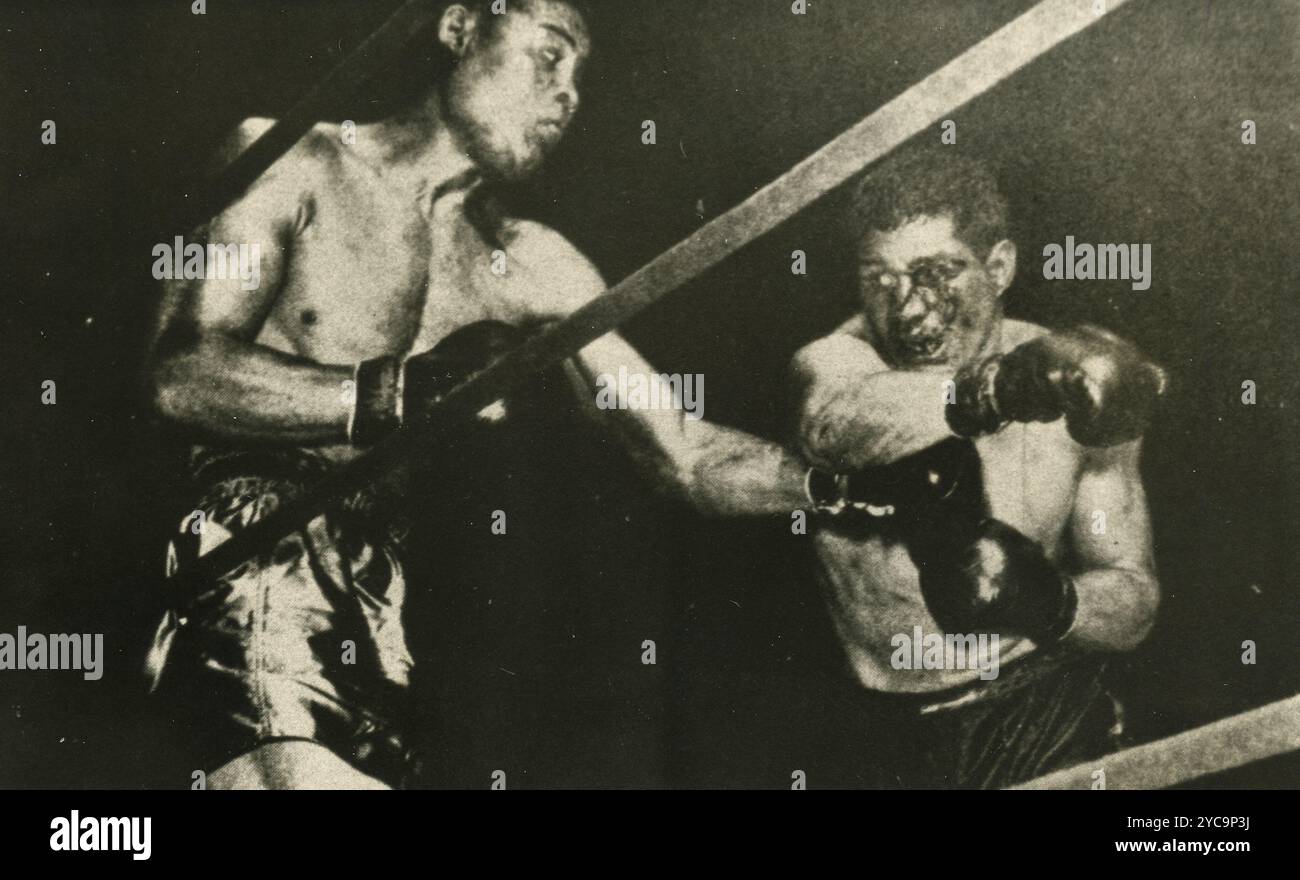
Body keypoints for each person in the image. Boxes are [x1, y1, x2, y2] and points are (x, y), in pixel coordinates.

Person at [142, 0, 807, 789]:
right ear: (459, 29)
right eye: (549, 55)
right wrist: (391, 394)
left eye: (581, 78)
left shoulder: (531, 264)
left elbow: (686, 456)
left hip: (391, 595)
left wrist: (831, 484)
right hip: (258, 543)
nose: (569, 96)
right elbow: (179, 373)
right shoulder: (291, 158)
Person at [788, 147, 1165, 788]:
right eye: (881, 280)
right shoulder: (840, 361)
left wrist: (1054, 603)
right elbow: (834, 425)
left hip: (1037, 706)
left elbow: (1133, 596)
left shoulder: (1073, 392)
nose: (907, 308)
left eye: (936, 273)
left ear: (998, 266)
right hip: (881, 727)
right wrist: (1005, 390)